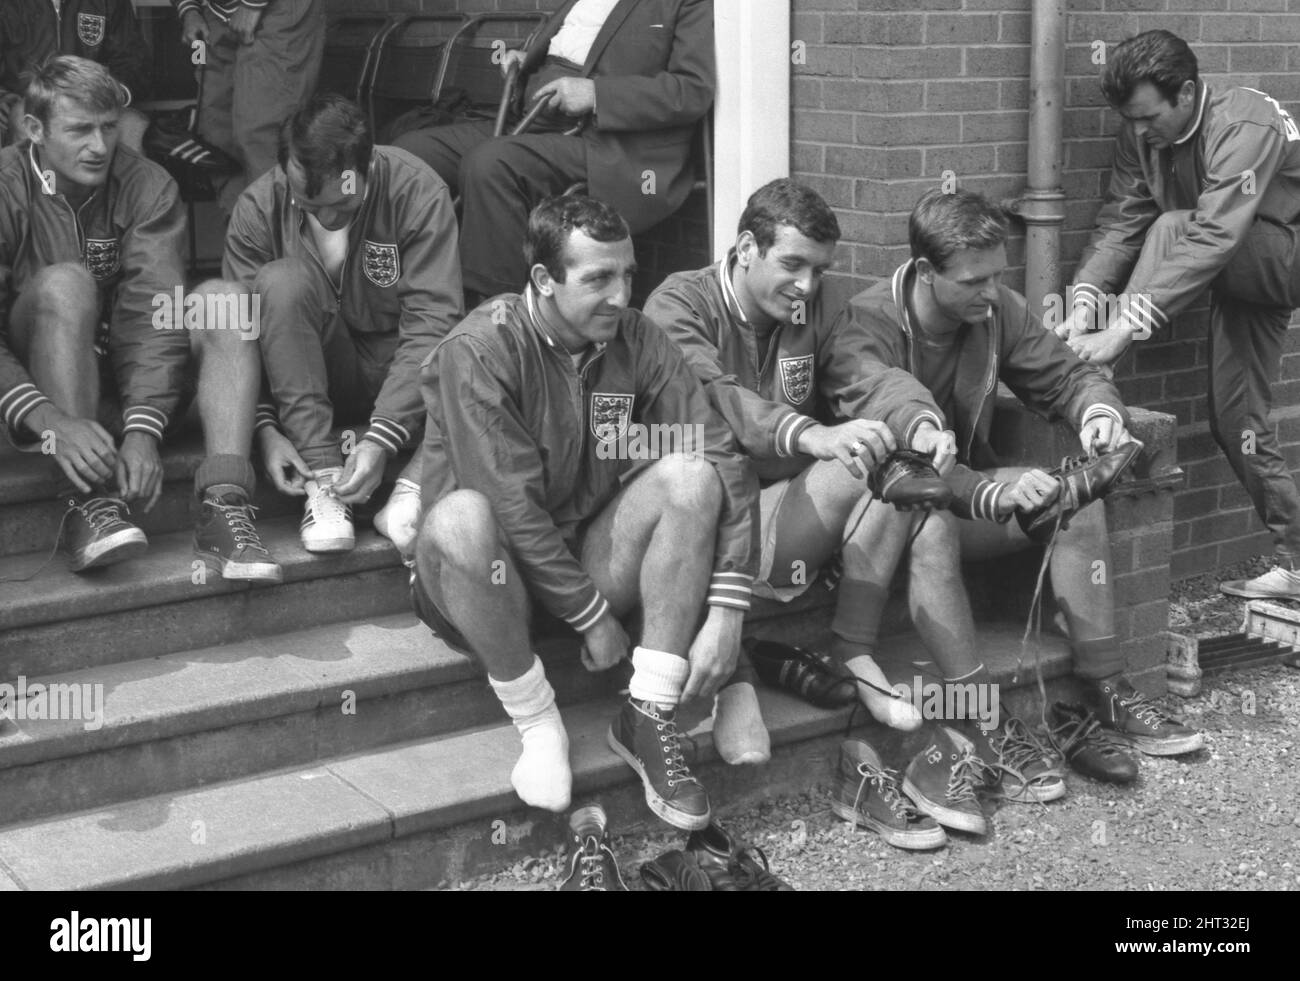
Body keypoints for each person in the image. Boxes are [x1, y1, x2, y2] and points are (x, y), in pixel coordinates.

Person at [646, 179, 1082, 843]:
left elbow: (865, 377)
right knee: (832, 463)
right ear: (743, 249)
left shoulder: (821, 308)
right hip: (703, 523)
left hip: (788, 517)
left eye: (818, 269)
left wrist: (920, 422)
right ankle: (784, 665)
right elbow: (715, 398)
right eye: (791, 265)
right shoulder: (680, 301)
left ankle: (899, 676)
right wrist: (811, 433)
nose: (806, 285)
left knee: (900, 463)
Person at [848, 188, 1204, 819]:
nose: (990, 292)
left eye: (998, 276)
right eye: (974, 280)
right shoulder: (864, 321)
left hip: (968, 503)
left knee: (1073, 499)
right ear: (926, 273)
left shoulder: (994, 310)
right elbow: (887, 431)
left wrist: (1096, 414)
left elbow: (1066, 375)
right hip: (874, 527)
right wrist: (989, 488)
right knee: (925, 512)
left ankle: (1106, 684)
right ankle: (981, 715)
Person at [413, 194, 756, 830]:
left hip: (585, 553)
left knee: (692, 475)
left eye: (628, 274)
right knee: (462, 517)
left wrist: (731, 606)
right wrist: (593, 617)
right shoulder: (480, 347)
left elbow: (717, 450)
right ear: (543, 281)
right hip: (489, 579)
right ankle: (539, 723)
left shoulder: (637, 337)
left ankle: (647, 714)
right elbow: (510, 505)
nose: (622, 295)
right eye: (598, 278)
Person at [0, 56, 278, 582]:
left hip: (132, 389)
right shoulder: (6, 185)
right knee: (66, 283)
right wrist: (51, 421)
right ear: (34, 129)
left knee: (225, 298)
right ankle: (87, 502)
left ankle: (225, 506)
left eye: (109, 127)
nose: (100, 146)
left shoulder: (147, 183)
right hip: (45, 397)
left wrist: (144, 427)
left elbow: (156, 309)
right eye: (80, 130)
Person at [1057, 29, 1300, 601]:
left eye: (1147, 118)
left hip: (1283, 256)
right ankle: (1297, 564)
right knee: (1236, 421)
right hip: (1234, 264)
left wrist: (1118, 331)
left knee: (1174, 226)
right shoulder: (1142, 134)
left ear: (1187, 93)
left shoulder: (1243, 124)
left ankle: (1091, 379)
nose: (1139, 133)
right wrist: (1082, 304)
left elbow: (1214, 233)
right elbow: (1120, 221)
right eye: (1130, 121)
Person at [223, 94, 462, 557]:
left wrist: (382, 436)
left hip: (397, 378)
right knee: (280, 282)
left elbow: (433, 322)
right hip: (302, 377)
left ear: (367, 164)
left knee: (481, 339)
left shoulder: (416, 190)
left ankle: (408, 494)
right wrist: (264, 428)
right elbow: (238, 337)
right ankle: (325, 483)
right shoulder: (258, 206)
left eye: (342, 205)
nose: (328, 218)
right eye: (310, 206)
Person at [394, 0, 713, 306]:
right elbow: (566, 50)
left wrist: (596, 95)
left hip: (603, 143)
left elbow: (693, 90)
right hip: (527, 121)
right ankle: (418, 298)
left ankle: (497, 319)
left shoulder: (688, 2)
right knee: (410, 154)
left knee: (491, 163)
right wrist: (524, 61)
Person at [174, 0, 326, 214]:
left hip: (277, 9)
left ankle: (275, 236)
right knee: (214, 131)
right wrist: (188, 9)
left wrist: (252, 4)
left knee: (260, 132)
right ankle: (243, 232)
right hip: (215, 10)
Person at [0, 0, 151, 150]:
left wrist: (110, 92)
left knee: (131, 124)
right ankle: (39, 175)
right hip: (26, 101)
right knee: (22, 118)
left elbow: (131, 60)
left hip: (93, 102)